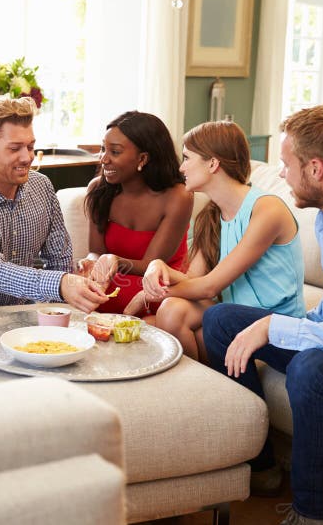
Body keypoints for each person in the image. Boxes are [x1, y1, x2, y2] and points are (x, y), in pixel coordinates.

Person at [202, 103, 323, 525]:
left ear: (316, 168)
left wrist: (277, 326)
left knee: (313, 369)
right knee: (222, 322)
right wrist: (292, 326)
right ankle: (263, 463)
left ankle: (316, 515)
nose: (281, 173)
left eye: (287, 164)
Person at [128, 120, 305, 362]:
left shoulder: (267, 209)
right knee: (165, 314)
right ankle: (200, 388)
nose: (181, 168)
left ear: (212, 163)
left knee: (168, 311)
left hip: (273, 324)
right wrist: (158, 266)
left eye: (187, 158)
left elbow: (210, 286)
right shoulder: (213, 214)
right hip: (230, 315)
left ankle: (201, 387)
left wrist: (149, 294)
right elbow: (194, 280)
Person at [0, 97, 108, 312]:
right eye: (14, 148)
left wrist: (62, 307)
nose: (27, 157)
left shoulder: (42, 186)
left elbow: (59, 258)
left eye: (30, 146)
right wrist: (61, 283)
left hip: (20, 311)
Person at [79, 111, 192, 315]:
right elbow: (96, 250)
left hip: (156, 282)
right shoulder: (98, 190)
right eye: (103, 149)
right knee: (72, 285)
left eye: (115, 152)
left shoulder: (178, 196)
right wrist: (91, 263)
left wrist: (115, 261)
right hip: (113, 279)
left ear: (143, 158)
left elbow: (151, 265)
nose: (103, 159)